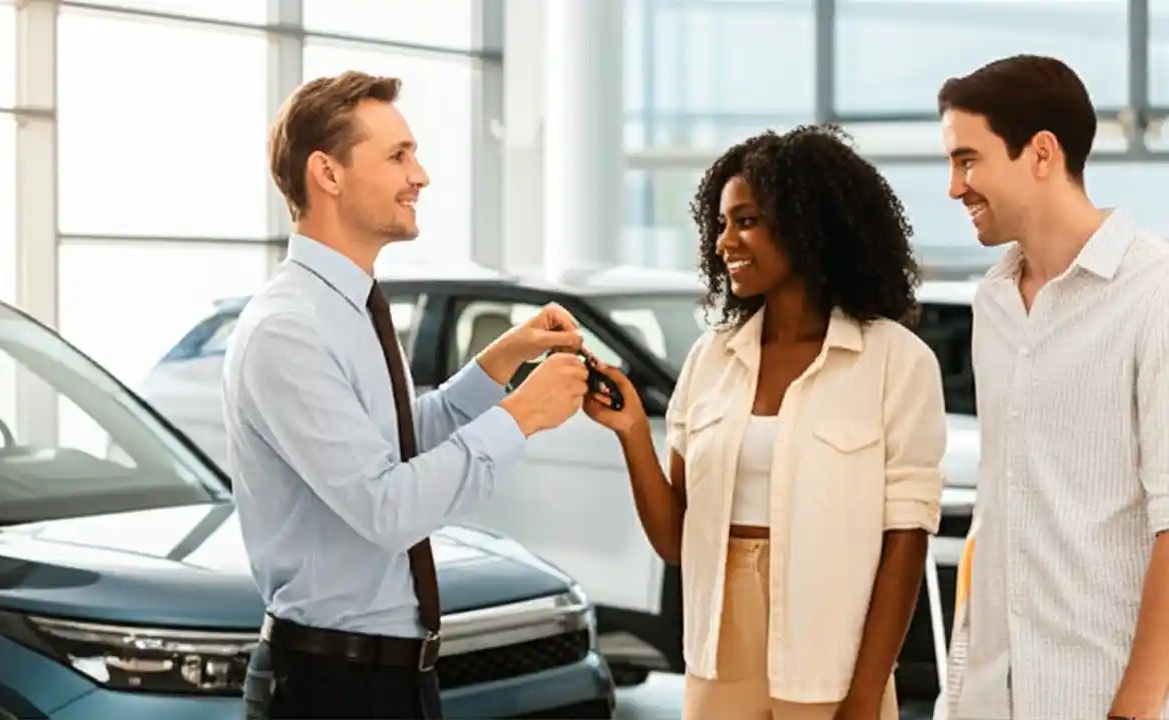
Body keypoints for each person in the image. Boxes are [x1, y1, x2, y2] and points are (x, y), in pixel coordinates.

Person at [223, 70, 590, 719]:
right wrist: (523, 415)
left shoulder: (352, 306)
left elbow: (395, 444)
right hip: (330, 687)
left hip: (390, 679)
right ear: (327, 174)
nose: (420, 176)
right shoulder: (288, 330)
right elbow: (387, 508)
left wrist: (500, 361)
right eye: (398, 155)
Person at [584, 125, 948, 720]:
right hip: (718, 656)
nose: (725, 240)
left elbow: (904, 546)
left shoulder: (896, 361)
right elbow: (677, 542)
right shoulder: (711, 359)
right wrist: (630, 434)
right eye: (721, 223)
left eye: (746, 220)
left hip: (830, 654)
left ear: (810, 225)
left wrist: (864, 696)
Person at [935, 54, 1169, 720]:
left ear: (1041, 153)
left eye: (968, 160)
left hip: (1097, 693)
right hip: (988, 693)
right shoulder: (992, 302)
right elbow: (999, 508)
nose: (955, 187)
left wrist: (1139, 703)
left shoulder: (1155, 293)